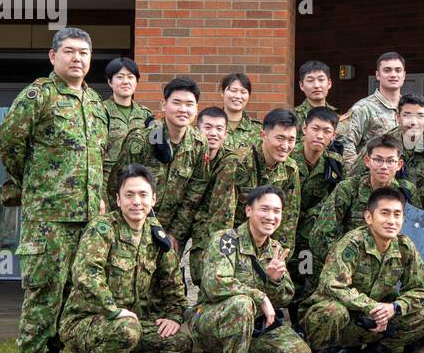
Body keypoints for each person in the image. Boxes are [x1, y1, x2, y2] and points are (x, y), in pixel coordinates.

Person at [0, 27, 108, 353]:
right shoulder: (38, 96)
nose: (78, 59)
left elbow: (99, 159)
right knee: (44, 288)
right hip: (48, 215)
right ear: (53, 57)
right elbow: (10, 142)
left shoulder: (94, 102)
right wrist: (33, 183)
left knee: (70, 290)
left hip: (88, 216)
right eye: (70, 52)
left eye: (84, 53)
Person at [59, 165, 193, 353]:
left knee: (179, 344)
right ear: (118, 199)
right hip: (85, 322)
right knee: (126, 328)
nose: (136, 202)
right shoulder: (103, 229)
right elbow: (87, 273)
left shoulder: (156, 236)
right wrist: (113, 309)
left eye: (143, 195)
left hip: (130, 323)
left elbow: (172, 283)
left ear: (153, 198)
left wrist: (174, 315)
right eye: (129, 195)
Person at [301, 186, 424, 353]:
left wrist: (394, 308)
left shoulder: (404, 247)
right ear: (368, 217)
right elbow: (333, 284)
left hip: (376, 323)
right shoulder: (353, 243)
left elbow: (421, 289)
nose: (391, 220)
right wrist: (373, 307)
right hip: (340, 322)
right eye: (385, 213)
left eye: (397, 214)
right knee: (331, 311)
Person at [191, 186, 314, 353]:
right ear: (249, 210)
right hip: (211, 320)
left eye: (277, 211)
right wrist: (259, 296)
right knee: (241, 303)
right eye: (264, 209)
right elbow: (215, 283)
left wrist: (273, 280)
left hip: (252, 326)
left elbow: (286, 296)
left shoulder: (275, 248)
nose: (271, 216)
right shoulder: (226, 241)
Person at [115, 76, 209, 253]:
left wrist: (175, 234)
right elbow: (117, 184)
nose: (183, 109)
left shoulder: (199, 143)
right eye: (176, 103)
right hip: (134, 226)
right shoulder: (141, 140)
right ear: (164, 105)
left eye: (189, 104)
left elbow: (195, 193)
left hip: (172, 231)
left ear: (197, 109)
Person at [306, 135, 417, 264]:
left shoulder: (407, 191)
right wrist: (345, 261)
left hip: (391, 266)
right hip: (349, 263)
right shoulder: (348, 189)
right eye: (378, 160)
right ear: (367, 161)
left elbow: (415, 232)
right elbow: (322, 235)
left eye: (390, 161)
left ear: (399, 164)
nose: (384, 167)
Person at [347, 92, 424, 205]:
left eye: (420, 116)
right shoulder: (380, 144)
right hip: (385, 210)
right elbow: (353, 179)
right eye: (407, 115)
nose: (414, 122)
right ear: (398, 117)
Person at [230, 108, 302, 253]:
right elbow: (222, 216)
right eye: (280, 138)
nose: (285, 146)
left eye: (291, 140)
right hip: (233, 238)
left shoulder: (290, 169)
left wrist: (280, 256)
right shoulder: (238, 163)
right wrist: (227, 256)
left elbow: (288, 219)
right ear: (263, 135)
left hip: (264, 243)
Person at [293, 106, 344, 306]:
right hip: (282, 227)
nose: (319, 135)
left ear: (333, 135)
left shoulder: (333, 163)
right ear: (304, 128)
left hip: (311, 231)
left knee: (307, 274)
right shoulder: (287, 156)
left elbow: (334, 197)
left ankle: (302, 312)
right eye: (315, 129)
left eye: (326, 131)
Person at [186, 106, 240, 288]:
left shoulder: (230, 161)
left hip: (211, 225)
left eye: (219, 129)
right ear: (197, 129)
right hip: (181, 216)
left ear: (226, 133)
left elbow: (222, 213)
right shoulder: (187, 154)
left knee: (203, 272)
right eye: (207, 127)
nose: (213, 133)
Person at [337, 52, 406, 170]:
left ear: (404, 75)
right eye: (387, 70)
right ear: (378, 75)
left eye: (398, 70)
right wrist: (359, 173)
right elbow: (345, 143)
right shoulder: (363, 108)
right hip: (373, 178)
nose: (393, 74)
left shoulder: (409, 109)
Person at [101, 56, 152, 198]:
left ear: (136, 82)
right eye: (120, 77)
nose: (126, 81)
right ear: (110, 82)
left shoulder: (145, 114)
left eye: (130, 77)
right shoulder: (98, 111)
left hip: (136, 185)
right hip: (106, 185)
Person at [220, 72, 262, 150]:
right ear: (222, 93)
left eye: (243, 92)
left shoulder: (258, 130)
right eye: (233, 90)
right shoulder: (210, 126)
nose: (238, 96)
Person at [294, 60, 338, 125]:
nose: (316, 85)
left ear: (329, 83)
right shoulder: (293, 117)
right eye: (310, 80)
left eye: (321, 80)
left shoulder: (337, 115)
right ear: (301, 85)